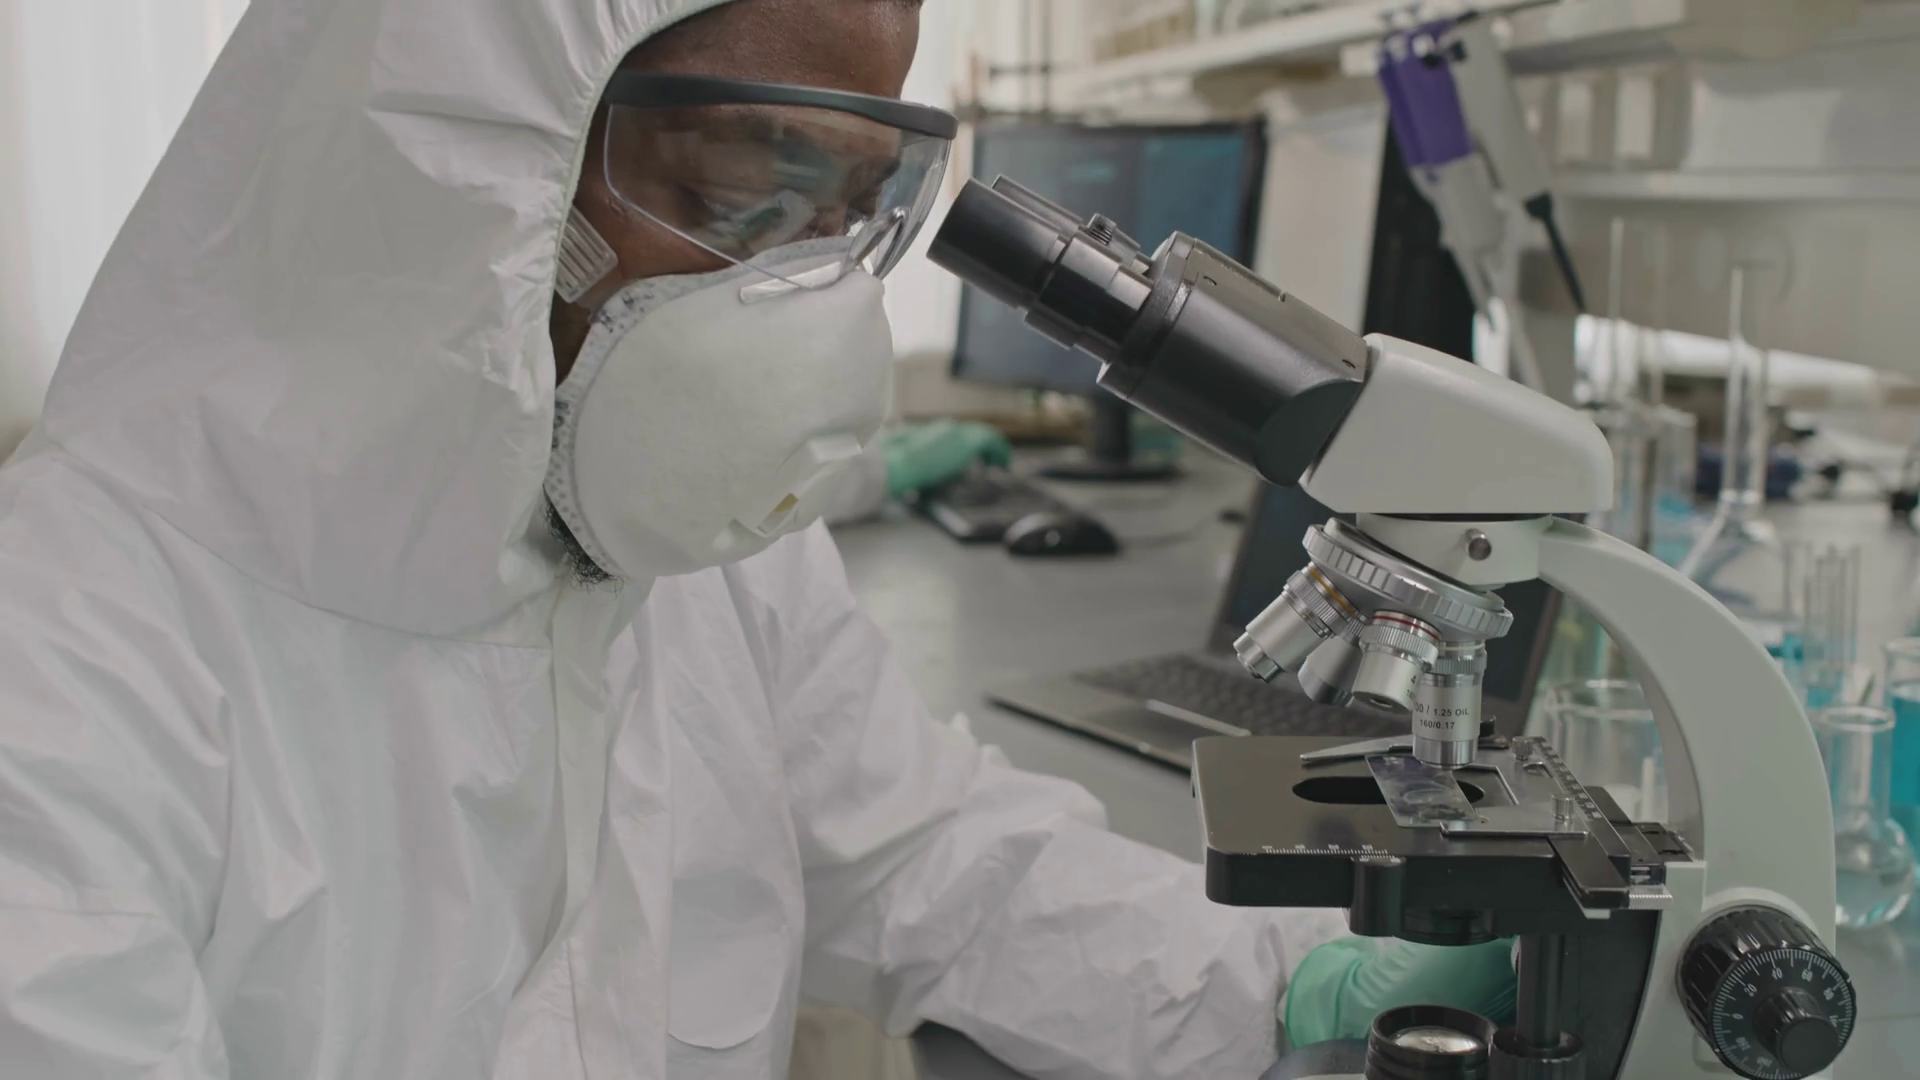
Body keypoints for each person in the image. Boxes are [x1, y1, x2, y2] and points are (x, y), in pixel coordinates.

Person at [0, 1, 1511, 1077]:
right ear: (477, 161)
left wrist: (1289, 990)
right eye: (741, 188)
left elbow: (924, 862)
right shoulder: (69, 644)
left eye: (851, 211)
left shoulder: (698, 546)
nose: (794, 306)